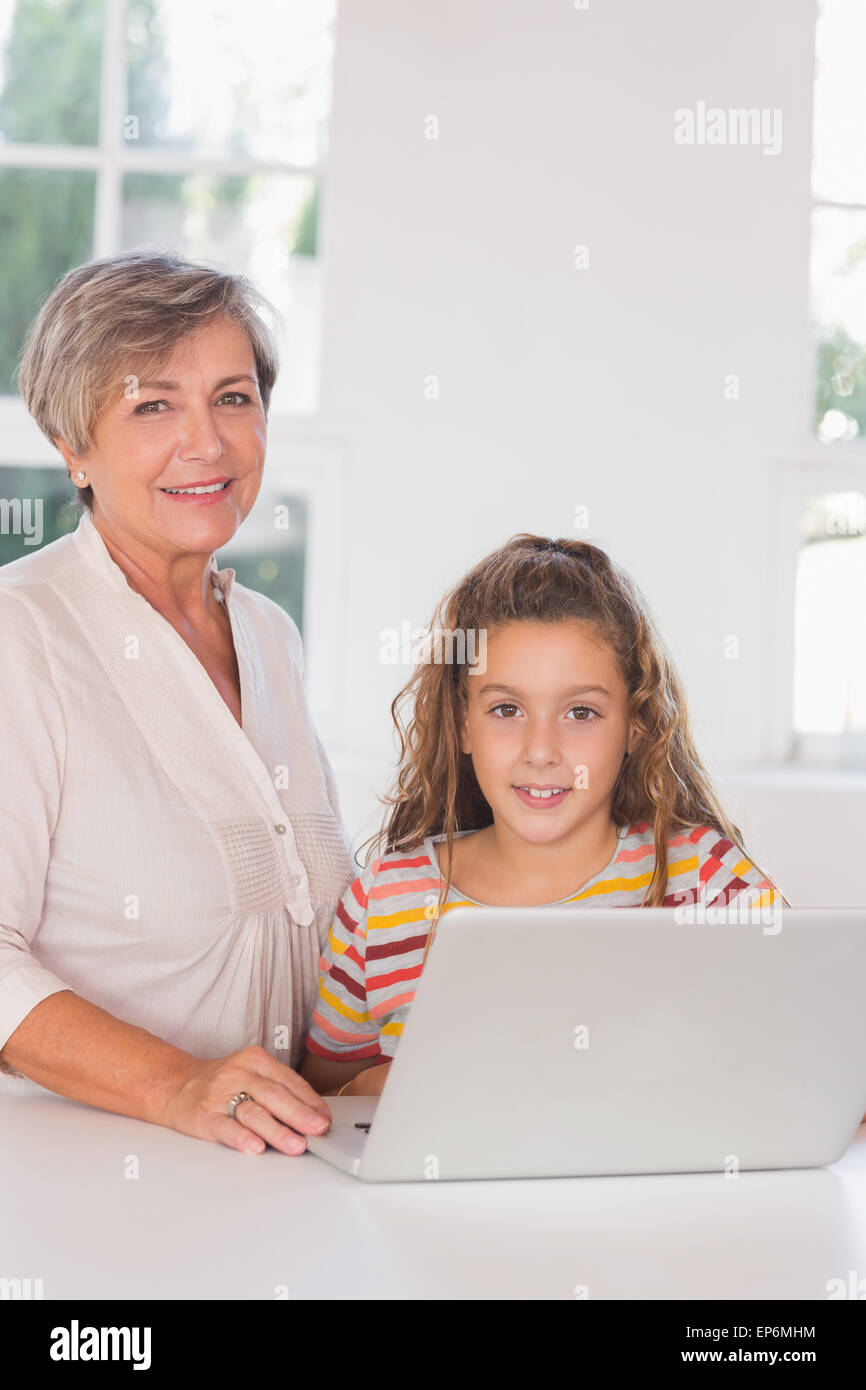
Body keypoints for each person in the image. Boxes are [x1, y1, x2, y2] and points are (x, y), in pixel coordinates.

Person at [0, 250, 355, 1156]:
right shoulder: (22, 633)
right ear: (72, 446)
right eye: (153, 404)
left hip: (278, 1173)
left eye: (233, 398)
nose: (208, 443)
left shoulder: (269, 634)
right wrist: (180, 1087)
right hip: (94, 1181)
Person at [301, 534, 788, 1099]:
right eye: (506, 709)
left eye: (581, 712)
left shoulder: (705, 879)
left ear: (635, 725)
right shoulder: (382, 904)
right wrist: (377, 1088)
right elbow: (322, 1105)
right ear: (462, 722)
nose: (541, 750)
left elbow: (826, 1054)